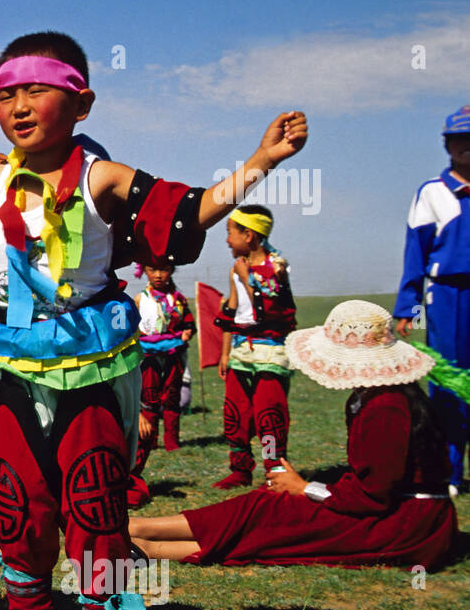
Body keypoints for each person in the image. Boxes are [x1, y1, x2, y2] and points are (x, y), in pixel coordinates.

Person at [0, 30, 308, 610]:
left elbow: (190, 211)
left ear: (81, 101)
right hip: (14, 369)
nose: (17, 105)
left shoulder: (100, 177)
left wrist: (260, 161)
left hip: (91, 370)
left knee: (96, 515)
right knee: (17, 510)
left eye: (36, 90)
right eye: (4, 93)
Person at [130, 302, 457, 569]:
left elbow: (374, 494)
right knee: (270, 506)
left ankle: (149, 546)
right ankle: (142, 529)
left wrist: (306, 488)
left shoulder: (386, 406)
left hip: (406, 524)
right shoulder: (373, 396)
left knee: (276, 523)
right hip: (389, 511)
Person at [393, 105, 470, 489]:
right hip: (449, 296)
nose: (467, 146)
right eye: (461, 139)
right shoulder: (432, 193)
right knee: (449, 380)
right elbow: (416, 253)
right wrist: (409, 307)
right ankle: (449, 470)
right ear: (448, 145)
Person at [213, 204, 296, 488]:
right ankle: (240, 470)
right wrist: (225, 352)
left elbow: (272, 307)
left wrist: (247, 278)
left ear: (248, 235)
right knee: (236, 411)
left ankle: (275, 470)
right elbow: (233, 310)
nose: (227, 240)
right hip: (240, 351)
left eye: (230, 233)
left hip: (270, 351)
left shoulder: (277, 267)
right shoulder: (236, 269)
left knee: (268, 413)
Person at [127, 263, 195, 507]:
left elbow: (188, 323)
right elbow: (132, 329)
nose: (158, 275)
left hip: (173, 353)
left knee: (172, 398)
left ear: (172, 272)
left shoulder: (177, 300)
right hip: (148, 356)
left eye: (164, 270)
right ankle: (149, 441)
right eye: (153, 270)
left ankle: (172, 441)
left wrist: (187, 332)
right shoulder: (140, 299)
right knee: (149, 398)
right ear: (144, 271)